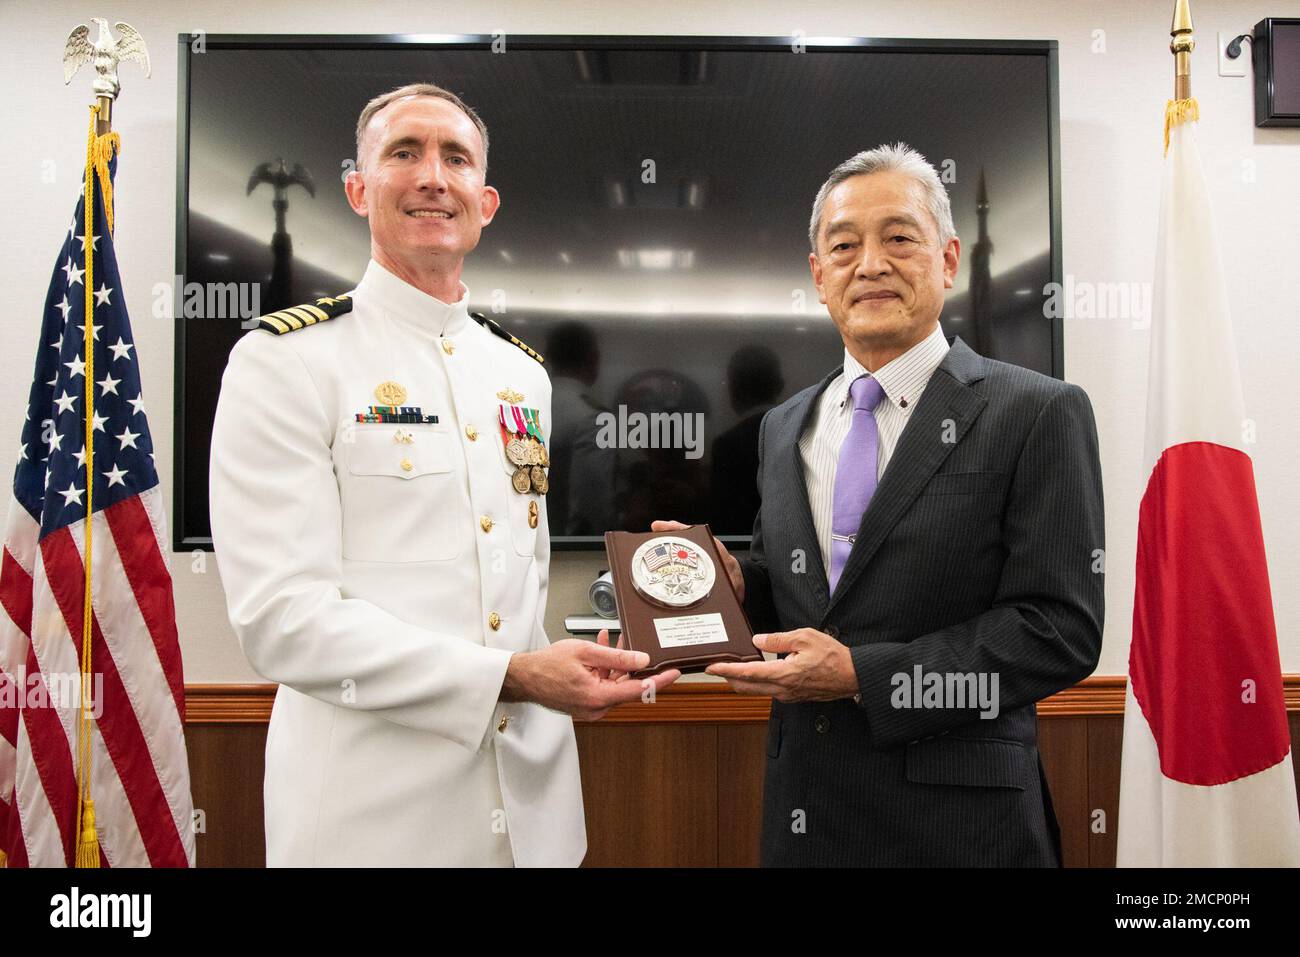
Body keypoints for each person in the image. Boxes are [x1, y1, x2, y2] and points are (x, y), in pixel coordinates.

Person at [210, 83, 676, 867]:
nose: (433, 176)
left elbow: (515, 586)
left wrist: (573, 659)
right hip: (373, 820)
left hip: (535, 817)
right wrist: (515, 676)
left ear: (484, 202)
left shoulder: (520, 374)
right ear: (358, 190)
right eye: (404, 153)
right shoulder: (285, 361)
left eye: (455, 159)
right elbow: (283, 618)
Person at [655, 142, 1104, 866]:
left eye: (899, 237)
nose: (870, 264)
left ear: (949, 259)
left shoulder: (1036, 411)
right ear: (818, 275)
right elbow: (801, 597)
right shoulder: (783, 425)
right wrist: (737, 587)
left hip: (964, 829)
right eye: (843, 245)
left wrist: (864, 676)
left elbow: (1059, 630)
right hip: (807, 815)